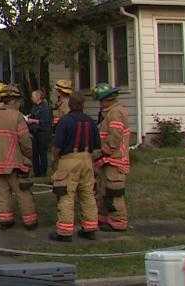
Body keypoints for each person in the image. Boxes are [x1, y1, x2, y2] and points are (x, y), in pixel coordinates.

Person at [0, 85, 38, 230]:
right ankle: (30, 221)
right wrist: (28, 156)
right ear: (13, 101)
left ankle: (6, 220)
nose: (20, 104)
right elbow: (25, 140)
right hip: (14, 162)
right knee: (22, 192)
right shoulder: (17, 116)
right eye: (19, 101)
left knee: (2, 192)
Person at [50, 93, 101, 242]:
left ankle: (64, 232)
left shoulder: (65, 121)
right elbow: (97, 146)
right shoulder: (90, 122)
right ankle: (90, 229)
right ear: (83, 105)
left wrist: (55, 161)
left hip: (68, 160)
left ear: (70, 105)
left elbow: (57, 146)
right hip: (86, 159)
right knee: (88, 194)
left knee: (66, 194)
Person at [93, 83, 131, 232]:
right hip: (108, 161)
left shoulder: (115, 113)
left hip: (115, 161)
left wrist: (102, 151)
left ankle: (118, 221)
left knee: (114, 194)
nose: (100, 104)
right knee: (104, 192)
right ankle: (103, 219)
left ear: (106, 99)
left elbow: (114, 138)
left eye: (100, 100)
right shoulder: (110, 112)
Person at [27, 89, 53, 177]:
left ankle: (43, 173)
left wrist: (32, 120)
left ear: (38, 97)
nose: (31, 98)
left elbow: (45, 121)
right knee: (34, 153)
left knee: (42, 153)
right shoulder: (34, 107)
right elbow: (32, 115)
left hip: (43, 133)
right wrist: (28, 117)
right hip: (34, 133)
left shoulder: (45, 107)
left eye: (33, 96)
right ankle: (36, 172)